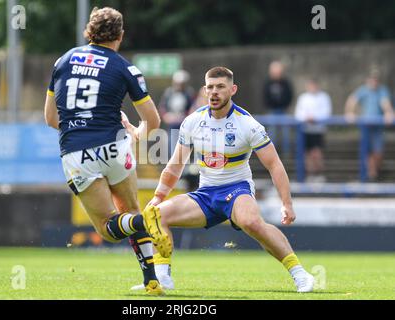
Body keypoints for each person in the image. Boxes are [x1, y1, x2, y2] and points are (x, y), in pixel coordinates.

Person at [129, 67, 315, 293]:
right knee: (156, 216)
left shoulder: (247, 124)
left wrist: (287, 204)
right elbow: (175, 164)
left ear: (233, 89)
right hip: (206, 193)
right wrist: (158, 196)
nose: (214, 92)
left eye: (220, 87)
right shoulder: (192, 121)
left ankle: (299, 274)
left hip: (237, 189)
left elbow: (274, 165)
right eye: (210, 87)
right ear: (204, 90)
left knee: (251, 222)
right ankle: (162, 277)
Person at [43, 7, 171, 295]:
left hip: (78, 152)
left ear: (89, 31)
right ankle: (152, 280)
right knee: (131, 210)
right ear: (121, 35)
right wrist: (137, 134)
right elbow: (153, 121)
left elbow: (51, 119)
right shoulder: (125, 67)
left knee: (107, 227)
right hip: (116, 147)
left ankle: (144, 223)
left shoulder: (63, 61)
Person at [344, 70, 394, 181]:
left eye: (375, 81)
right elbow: (352, 100)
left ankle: (374, 172)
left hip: (378, 127)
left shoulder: (382, 91)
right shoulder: (363, 90)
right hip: (366, 127)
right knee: (367, 152)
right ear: (367, 81)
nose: (373, 83)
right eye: (371, 81)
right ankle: (372, 175)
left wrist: (389, 113)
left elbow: (385, 103)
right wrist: (350, 112)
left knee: (378, 152)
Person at [294, 78, 332, 182]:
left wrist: (315, 118)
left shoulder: (324, 97)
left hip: (318, 130)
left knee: (317, 153)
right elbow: (298, 113)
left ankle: (319, 174)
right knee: (307, 154)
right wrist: (306, 118)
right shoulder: (303, 98)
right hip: (305, 130)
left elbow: (326, 112)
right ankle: (310, 175)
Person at [159, 70, 195, 154]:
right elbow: (162, 107)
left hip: (185, 126)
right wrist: (166, 116)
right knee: (171, 145)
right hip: (171, 126)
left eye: (181, 83)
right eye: (177, 83)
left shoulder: (189, 93)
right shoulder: (169, 92)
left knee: (185, 147)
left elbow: (193, 108)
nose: (179, 85)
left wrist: (184, 117)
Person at [263, 61, 293, 154]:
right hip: (272, 111)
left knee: (285, 134)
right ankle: (272, 153)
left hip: (283, 110)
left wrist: (284, 105)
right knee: (271, 134)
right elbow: (265, 96)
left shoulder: (285, 82)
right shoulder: (268, 83)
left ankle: (286, 153)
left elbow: (290, 95)